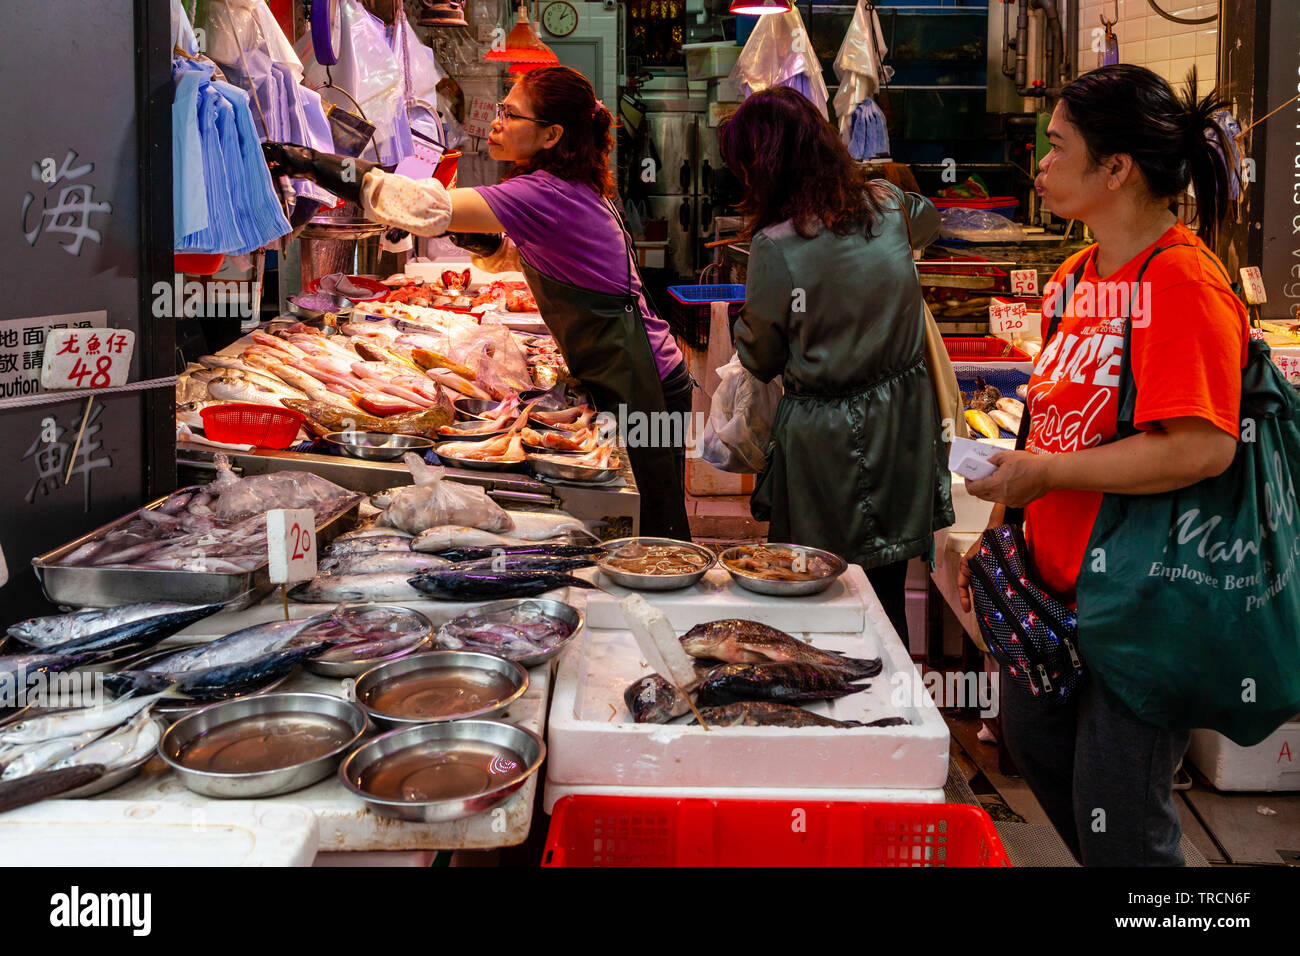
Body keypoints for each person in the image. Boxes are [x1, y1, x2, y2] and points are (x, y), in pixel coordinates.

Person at [956, 65, 1244, 866]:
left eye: (1055, 147)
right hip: (1049, 596)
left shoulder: (1182, 283)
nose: (1038, 166)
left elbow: (1202, 446)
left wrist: (1044, 475)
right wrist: (1001, 531)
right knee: (1053, 773)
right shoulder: (1075, 279)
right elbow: (1050, 423)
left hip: (1140, 605)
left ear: (1115, 168)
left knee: (1127, 833)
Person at [264, 66, 691, 539]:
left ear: (551, 134)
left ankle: (668, 587)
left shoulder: (544, 192)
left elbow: (423, 205)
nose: (496, 121)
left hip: (642, 373)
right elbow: (516, 251)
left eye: (511, 113)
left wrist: (312, 164)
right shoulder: (565, 186)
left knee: (653, 513)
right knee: (646, 504)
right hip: (632, 365)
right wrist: (478, 239)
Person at [718, 87, 954, 638]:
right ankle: (895, 700)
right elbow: (930, 219)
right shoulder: (891, 207)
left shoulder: (776, 245)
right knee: (887, 587)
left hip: (824, 438)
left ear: (764, 169)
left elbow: (761, 354)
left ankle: (825, 693)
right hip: (903, 420)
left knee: (814, 586)